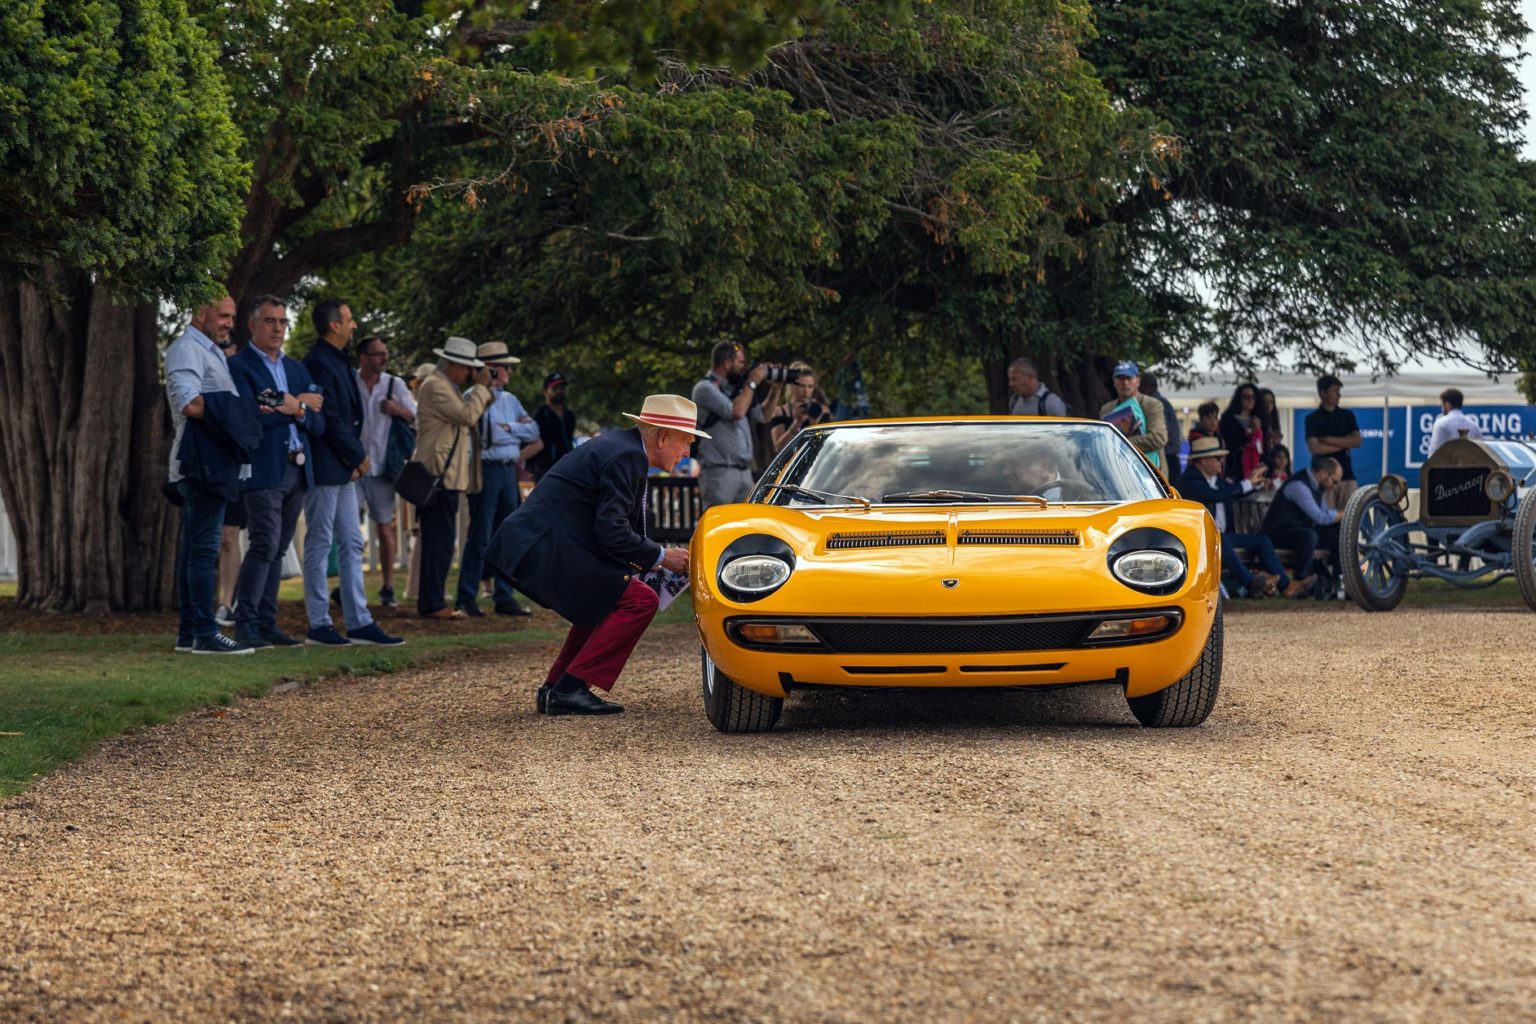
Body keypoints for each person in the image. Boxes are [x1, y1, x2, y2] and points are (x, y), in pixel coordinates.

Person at [486, 394, 704, 716]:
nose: (687, 452)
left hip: (542, 544)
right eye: (685, 442)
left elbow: (607, 527)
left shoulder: (624, 449)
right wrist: (660, 556)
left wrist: (650, 559)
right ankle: (570, 688)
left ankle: (558, 687)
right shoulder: (628, 456)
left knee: (609, 596)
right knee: (639, 600)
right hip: (543, 547)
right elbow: (611, 531)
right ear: (662, 436)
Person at [301, 297, 403, 647]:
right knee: (319, 540)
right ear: (334, 325)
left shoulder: (337, 359)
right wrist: (357, 455)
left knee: (352, 541)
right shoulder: (318, 361)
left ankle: (359, 620)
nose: (354, 324)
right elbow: (328, 417)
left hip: (343, 467)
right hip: (329, 463)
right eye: (349, 319)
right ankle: (319, 622)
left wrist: (353, 459)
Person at [227, 296, 326, 649]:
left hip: (297, 469)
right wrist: (296, 405)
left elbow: (318, 421)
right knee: (265, 543)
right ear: (252, 325)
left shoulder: (298, 369)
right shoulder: (239, 367)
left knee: (280, 547)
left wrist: (290, 405)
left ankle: (267, 623)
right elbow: (250, 415)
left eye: (283, 322)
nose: (277, 328)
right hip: (263, 468)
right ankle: (246, 624)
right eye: (270, 321)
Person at [165, 294, 255, 654]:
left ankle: (189, 633)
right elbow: (188, 402)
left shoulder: (210, 349)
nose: (229, 323)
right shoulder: (188, 348)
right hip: (200, 463)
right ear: (199, 311)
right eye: (222, 316)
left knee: (194, 551)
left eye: (232, 317)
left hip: (211, 462)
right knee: (203, 552)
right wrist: (239, 410)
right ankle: (204, 632)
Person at [411, 336, 495, 619]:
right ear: (452, 365)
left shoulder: (445, 385)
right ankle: (433, 604)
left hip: (445, 477)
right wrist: (481, 387)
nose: (470, 374)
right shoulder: (436, 386)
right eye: (467, 368)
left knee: (442, 541)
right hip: (438, 476)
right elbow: (467, 415)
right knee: (439, 542)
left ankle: (433, 600)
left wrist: (482, 387)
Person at [456, 341, 541, 617]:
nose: (509, 373)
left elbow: (533, 431)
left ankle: (504, 595)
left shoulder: (510, 399)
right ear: (491, 369)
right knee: (480, 533)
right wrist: (512, 432)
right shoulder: (473, 395)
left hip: (507, 469)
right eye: (505, 368)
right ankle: (466, 595)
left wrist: (510, 429)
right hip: (486, 467)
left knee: (509, 532)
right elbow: (489, 434)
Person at [1177, 437, 1313, 599]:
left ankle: (1286, 585)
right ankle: (1250, 583)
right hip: (1202, 539)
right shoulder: (1191, 480)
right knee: (1220, 539)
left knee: (1261, 540)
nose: (1222, 461)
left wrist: (1255, 483)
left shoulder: (1216, 480)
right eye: (1217, 458)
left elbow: (1232, 491)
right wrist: (1248, 483)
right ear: (1204, 461)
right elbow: (1216, 496)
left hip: (1223, 536)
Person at [355, 334, 416, 608]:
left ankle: (388, 586)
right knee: (349, 531)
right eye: (377, 354)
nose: (383, 359)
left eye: (385, 354)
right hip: (354, 468)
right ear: (363, 357)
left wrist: (397, 409)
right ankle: (352, 585)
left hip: (383, 467)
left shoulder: (395, 384)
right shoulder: (351, 382)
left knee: (385, 527)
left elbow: (415, 416)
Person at [691, 341, 780, 508]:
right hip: (718, 471)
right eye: (740, 362)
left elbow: (763, 416)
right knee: (719, 526)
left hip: (744, 471)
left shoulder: (739, 390)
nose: (744, 367)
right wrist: (752, 383)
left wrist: (775, 390)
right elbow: (736, 412)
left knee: (746, 525)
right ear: (727, 363)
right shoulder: (705, 388)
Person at [1261, 454, 1343, 587]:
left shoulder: (1317, 487)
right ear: (1323, 474)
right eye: (1334, 481)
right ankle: (1300, 581)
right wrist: (1346, 513)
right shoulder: (1298, 485)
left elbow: (1325, 513)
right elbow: (1320, 517)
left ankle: (1338, 582)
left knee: (1337, 534)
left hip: (1296, 530)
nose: (1334, 486)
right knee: (1308, 536)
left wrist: (1340, 517)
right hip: (1277, 532)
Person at [1304, 374, 1362, 511]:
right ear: (1323, 393)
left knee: (1350, 518)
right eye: (1335, 391)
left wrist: (1329, 440)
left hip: (1347, 475)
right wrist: (1345, 443)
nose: (1339, 395)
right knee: (1323, 516)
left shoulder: (1347, 415)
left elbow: (1357, 441)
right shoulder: (1312, 418)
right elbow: (1315, 448)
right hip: (1323, 477)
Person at [1099, 361, 1168, 472]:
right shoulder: (1106, 409)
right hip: (1118, 472)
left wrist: (1120, 444)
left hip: (1149, 473)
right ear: (1114, 382)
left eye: (1129, 378)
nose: (1125, 383)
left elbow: (1158, 438)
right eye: (1121, 379)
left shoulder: (1152, 405)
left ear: (1138, 381)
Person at [768, 362, 834, 453]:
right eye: (802, 386)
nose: (806, 391)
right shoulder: (780, 412)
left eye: (810, 386)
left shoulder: (821, 410)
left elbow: (828, 445)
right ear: (792, 386)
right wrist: (797, 423)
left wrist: (814, 424)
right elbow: (778, 448)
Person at [529, 371, 576, 481]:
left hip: (567, 467)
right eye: (555, 388)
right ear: (546, 392)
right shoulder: (539, 414)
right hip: (545, 469)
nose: (559, 391)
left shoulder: (569, 415)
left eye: (562, 388)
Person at [1219, 382, 1265, 482]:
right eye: (1245, 397)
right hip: (1235, 465)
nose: (1250, 400)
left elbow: (1263, 445)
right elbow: (1229, 442)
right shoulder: (1228, 418)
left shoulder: (1260, 418)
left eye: (1253, 397)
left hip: (1256, 465)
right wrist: (1249, 431)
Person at [1139, 370, 1182, 474]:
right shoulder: (1163, 402)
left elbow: (1162, 435)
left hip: (1166, 458)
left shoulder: (1155, 404)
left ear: (1146, 387)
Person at [1428, 387, 1483, 455]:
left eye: (1442, 405)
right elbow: (1480, 451)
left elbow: (1433, 452)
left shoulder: (1441, 423)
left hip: (1446, 464)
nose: (1441, 408)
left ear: (1447, 404)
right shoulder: (1473, 425)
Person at [1257, 387, 1284, 454]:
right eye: (1265, 402)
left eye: (1271, 402)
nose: (1268, 405)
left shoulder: (1273, 420)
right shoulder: (1255, 421)